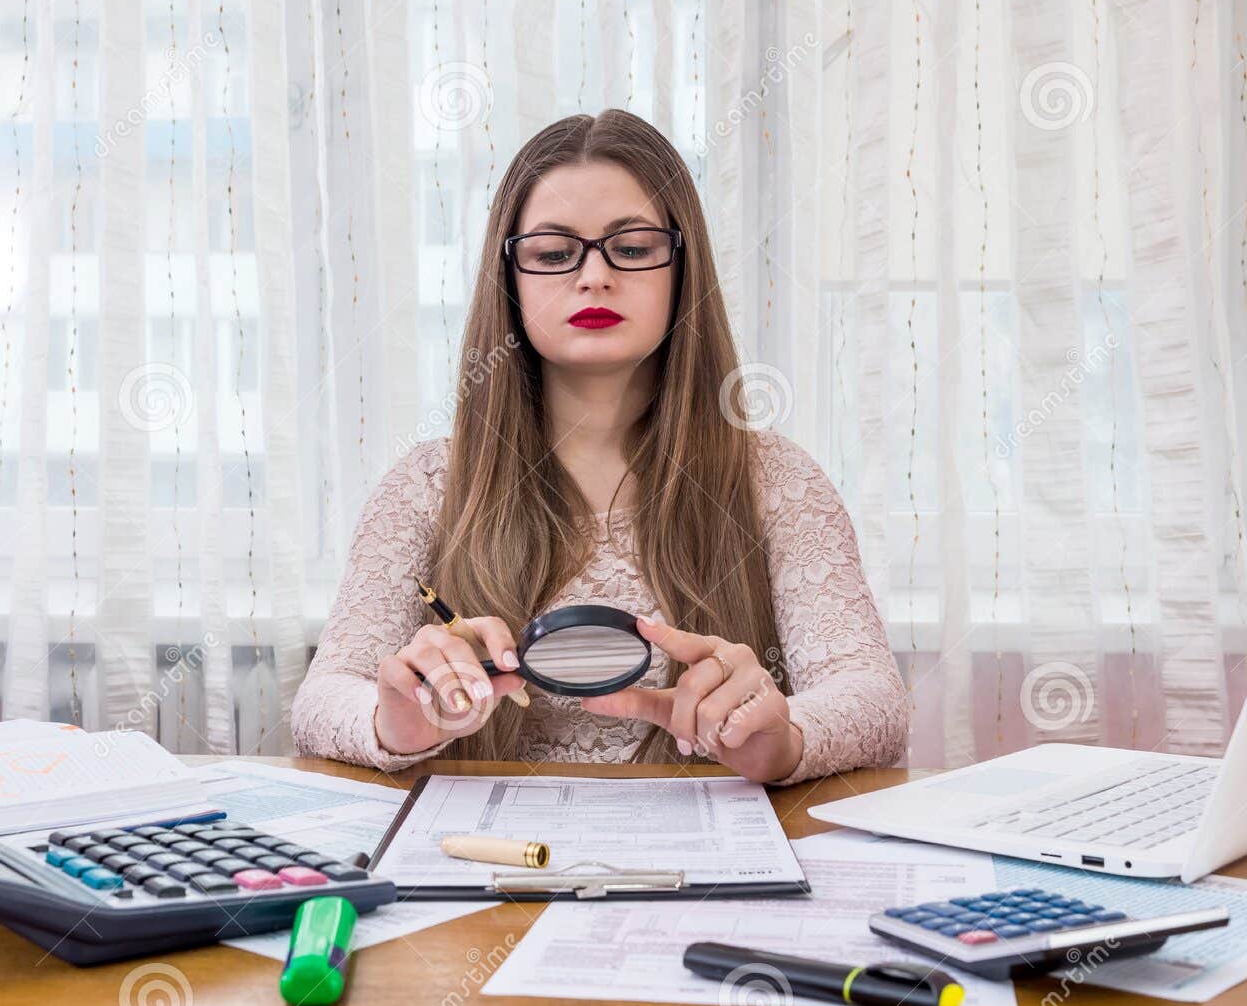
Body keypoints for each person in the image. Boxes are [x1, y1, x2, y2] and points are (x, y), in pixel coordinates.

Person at [291, 109, 906, 785]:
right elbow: (323, 699)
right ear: (511, 278)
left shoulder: (774, 478)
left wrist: (782, 737)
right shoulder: (429, 484)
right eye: (554, 254)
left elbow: (872, 698)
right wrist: (396, 721)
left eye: (633, 248)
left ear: (682, 267)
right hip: (491, 858)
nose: (594, 277)